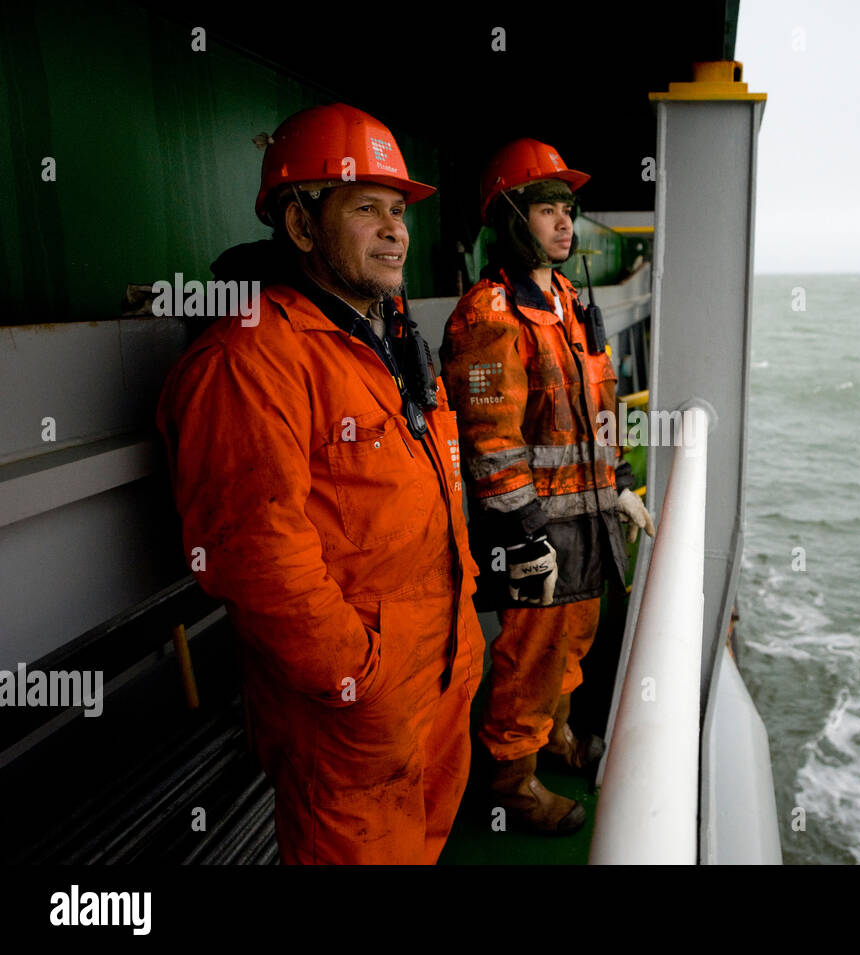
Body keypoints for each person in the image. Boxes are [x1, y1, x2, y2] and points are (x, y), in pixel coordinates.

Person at [155, 103, 483, 864]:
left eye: (398, 210)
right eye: (365, 208)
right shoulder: (251, 360)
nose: (395, 229)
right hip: (355, 722)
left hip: (440, 683)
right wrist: (361, 682)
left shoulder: (392, 341)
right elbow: (256, 557)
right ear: (301, 226)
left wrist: (449, 656)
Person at [439, 138, 655, 835]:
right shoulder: (489, 315)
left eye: (568, 209)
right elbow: (489, 439)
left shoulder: (563, 300)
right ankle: (512, 784)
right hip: (539, 537)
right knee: (530, 660)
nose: (565, 222)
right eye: (546, 208)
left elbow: (597, 408)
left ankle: (554, 736)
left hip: (587, 524)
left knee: (572, 649)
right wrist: (523, 533)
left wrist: (619, 482)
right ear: (509, 217)